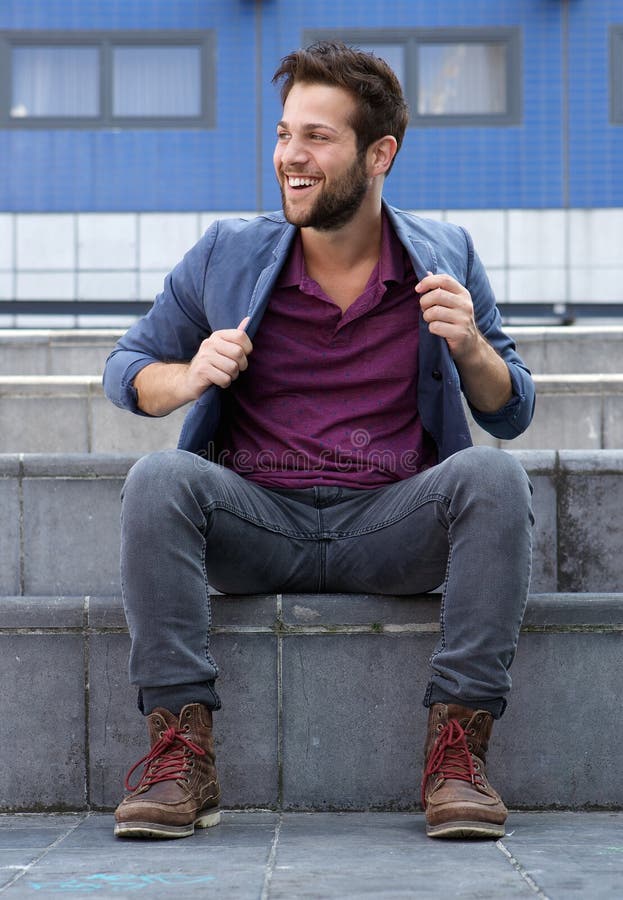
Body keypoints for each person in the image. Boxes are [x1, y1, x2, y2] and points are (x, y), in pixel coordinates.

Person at [103, 41, 535, 841]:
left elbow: (512, 412)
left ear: (379, 154)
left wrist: (470, 345)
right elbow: (125, 367)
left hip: (390, 526)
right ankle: (180, 753)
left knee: (495, 477)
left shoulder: (445, 254)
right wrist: (191, 374)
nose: (289, 158)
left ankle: (455, 756)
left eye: (316, 138)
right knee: (159, 480)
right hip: (255, 520)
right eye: (281, 134)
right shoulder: (229, 251)